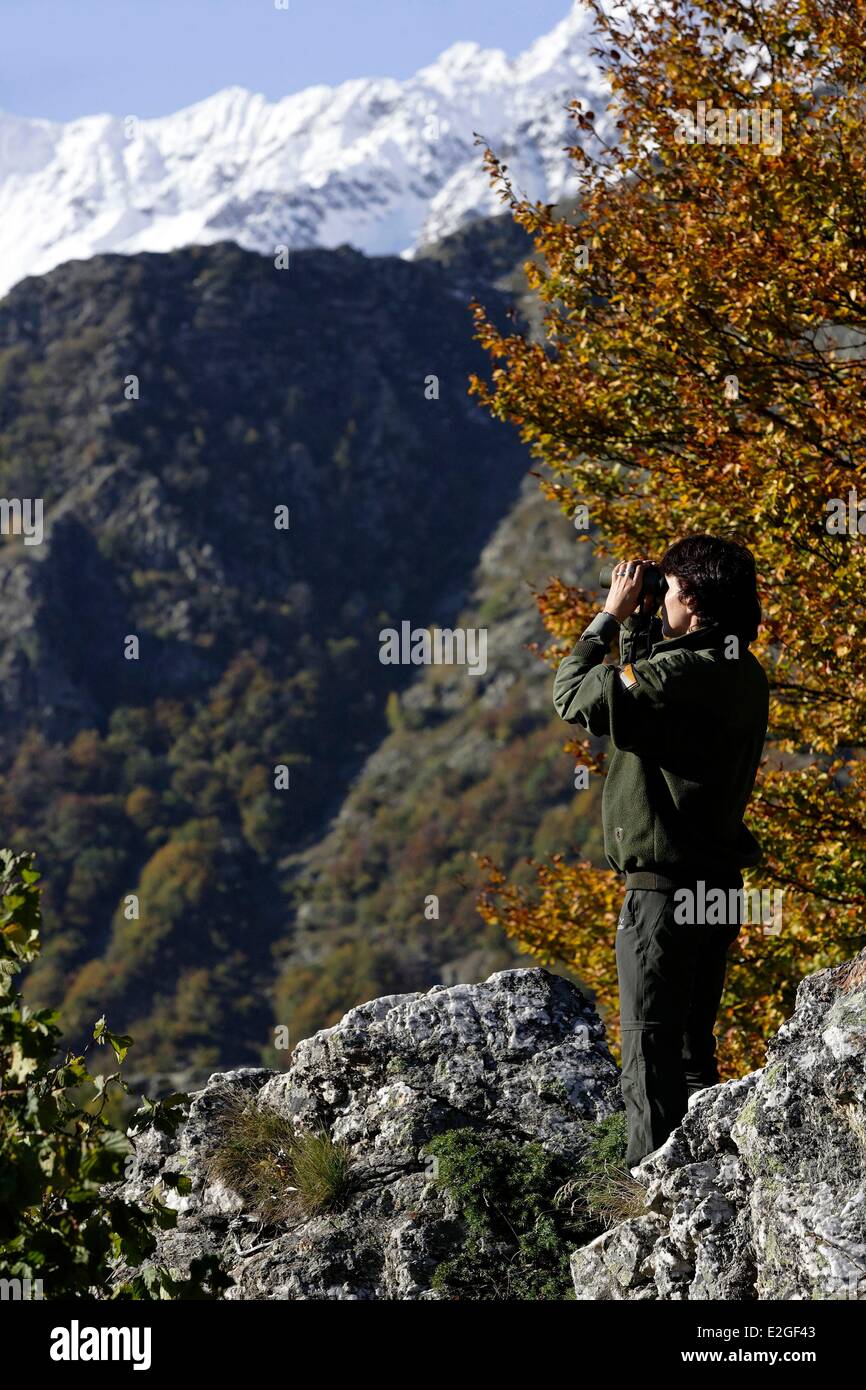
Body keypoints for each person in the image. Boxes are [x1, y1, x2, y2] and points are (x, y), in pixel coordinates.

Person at [552, 535, 769, 1171]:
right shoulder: (741, 672)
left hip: (662, 892)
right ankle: (703, 1180)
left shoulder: (676, 674)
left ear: (693, 600)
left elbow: (574, 696)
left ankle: (651, 1193)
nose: (660, 598)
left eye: (670, 591)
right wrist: (649, 627)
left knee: (649, 1046)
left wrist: (612, 616)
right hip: (718, 885)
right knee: (692, 1050)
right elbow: (650, 700)